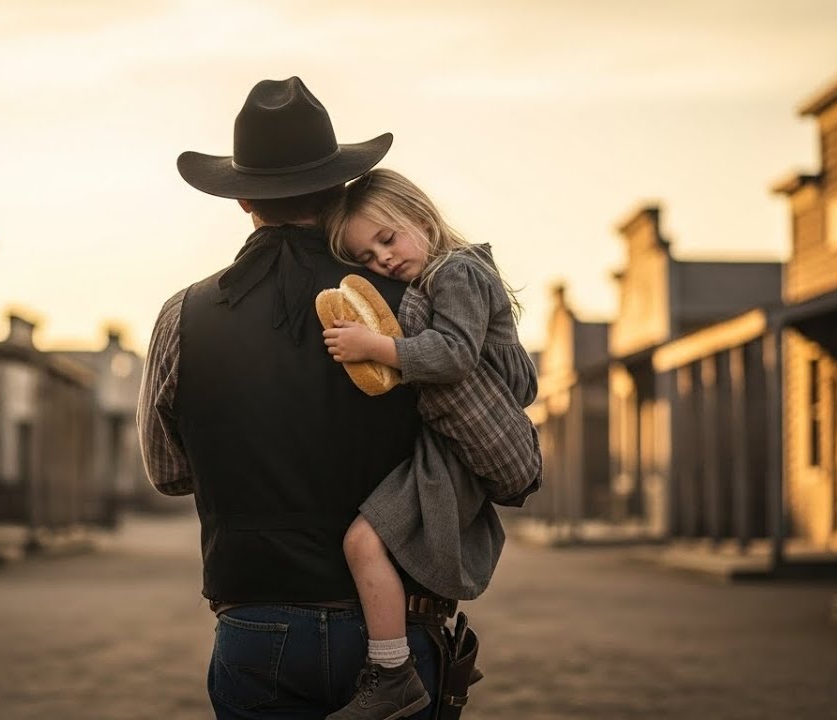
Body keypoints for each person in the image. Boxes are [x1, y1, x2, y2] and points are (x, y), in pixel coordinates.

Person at [139, 77, 453, 720]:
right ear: (341, 189)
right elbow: (494, 462)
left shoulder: (183, 316)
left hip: (255, 622)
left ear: (242, 197)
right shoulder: (415, 304)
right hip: (396, 629)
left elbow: (168, 473)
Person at [320, 168, 542, 719]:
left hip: (463, 450)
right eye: (367, 258)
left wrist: (373, 343)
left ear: (419, 215)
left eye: (387, 239)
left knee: (363, 542)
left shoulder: (457, 273)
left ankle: (394, 674)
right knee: (376, 543)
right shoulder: (441, 278)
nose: (383, 260)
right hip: (451, 443)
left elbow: (454, 355)